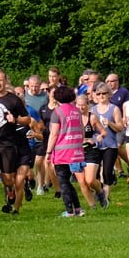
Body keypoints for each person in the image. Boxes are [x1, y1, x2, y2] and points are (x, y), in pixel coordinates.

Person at [0, 69, 33, 215]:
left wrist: (15, 120)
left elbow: (27, 119)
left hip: (8, 144)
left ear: (5, 81)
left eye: (1, 80)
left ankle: (10, 190)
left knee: (8, 180)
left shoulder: (13, 100)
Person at [47, 85, 87, 216]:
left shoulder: (57, 112)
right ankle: (78, 208)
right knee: (68, 181)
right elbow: (81, 130)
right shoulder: (76, 111)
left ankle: (69, 210)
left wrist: (48, 152)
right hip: (76, 151)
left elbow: (54, 134)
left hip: (62, 151)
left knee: (63, 181)